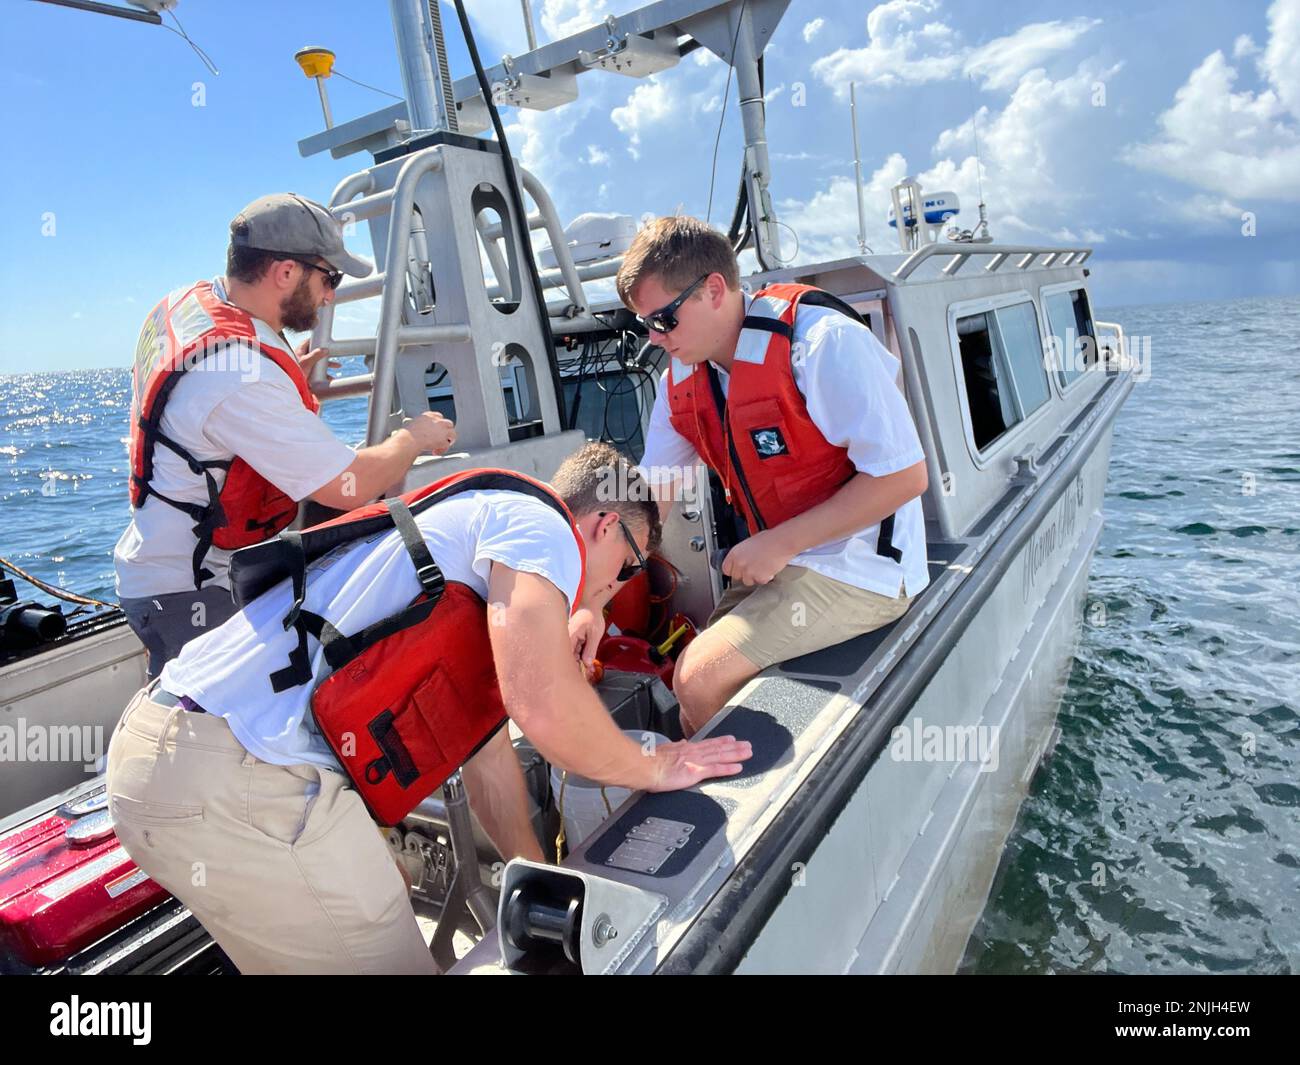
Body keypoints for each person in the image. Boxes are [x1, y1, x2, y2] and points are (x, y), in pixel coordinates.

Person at [105, 442, 752, 975]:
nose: (616, 586)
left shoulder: (475, 518)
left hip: (160, 757)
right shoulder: (545, 526)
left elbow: (491, 769)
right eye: (630, 567)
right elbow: (543, 708)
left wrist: (546, 879)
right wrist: (654, 763)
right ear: (605, 525)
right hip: (248, 780)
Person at [115, 192, 456, 677]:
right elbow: (348, 487)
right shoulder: (240, 377)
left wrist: (285, 370)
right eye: (329, 278)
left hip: (154, 573)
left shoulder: (187, 305)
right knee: (216, 743)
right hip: (189, 595)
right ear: (286, 273)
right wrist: (414, 437)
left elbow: (199, 404)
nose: (331, 294)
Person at [616, 216, 931, 737]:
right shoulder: (682, 377)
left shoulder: (825, 343)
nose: (654, 338)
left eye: (663, 320)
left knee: (696, 678)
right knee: (690, 669)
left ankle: (723, 803)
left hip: (864, 569)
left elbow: (903, 477)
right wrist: (591, 602)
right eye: (644, 324)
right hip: (786, 559)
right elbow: (653, 500)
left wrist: (778, 544)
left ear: (714, 289)